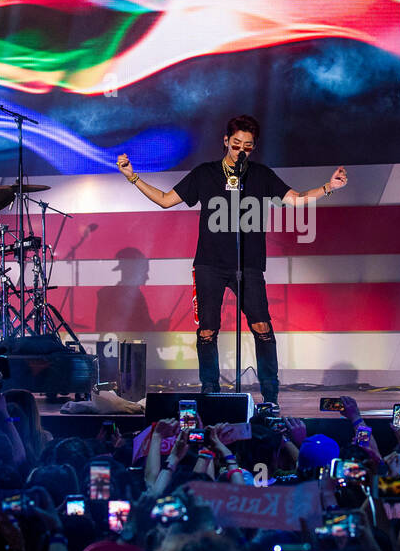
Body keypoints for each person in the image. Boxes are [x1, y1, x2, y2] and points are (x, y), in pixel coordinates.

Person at [116, 114, 347, 406]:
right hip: (209, 264)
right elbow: (164, 199)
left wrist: (328, 187)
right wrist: (132, 177)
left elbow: (296, 198)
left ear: (254, 148)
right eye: (236, 144)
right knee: (207, 330)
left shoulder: (260, 175)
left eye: (247, 146)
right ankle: (210, 393)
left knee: (262, 326)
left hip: (248, 264)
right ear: (226, 141)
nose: (241, 150)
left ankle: (271, 396)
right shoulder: (205, 174)